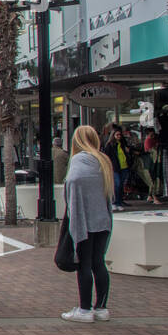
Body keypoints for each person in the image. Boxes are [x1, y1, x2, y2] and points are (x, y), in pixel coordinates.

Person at [63, 125, 114, 323]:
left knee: (84, 264)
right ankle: (101, 308)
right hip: (103, 220)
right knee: (98, 263)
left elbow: (73, 182)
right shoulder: (103, 160)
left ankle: (84, 310)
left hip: (84, 221)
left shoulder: (78, 160)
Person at [101, 124, 132, 211]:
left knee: (121, 185)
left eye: (120, 135)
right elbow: (106, 156)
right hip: (115, 167)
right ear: (113, 136)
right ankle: (114, 202)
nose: (119, 136)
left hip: (124, 166)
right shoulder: (110, 145)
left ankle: (118, 202)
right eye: (117, 135)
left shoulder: (122, 144)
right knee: (117, 185)